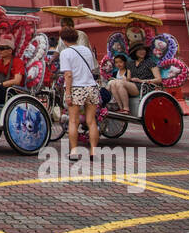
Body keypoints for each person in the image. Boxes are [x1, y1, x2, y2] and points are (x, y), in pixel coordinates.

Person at [59, 27, 100, 157]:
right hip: (91, 87)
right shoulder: (86, 50)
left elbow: (68, 75)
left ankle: (74, 151)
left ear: (64, 40)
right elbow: (92, 68)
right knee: (91, 121)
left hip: (76, 87)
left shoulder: (65, 53)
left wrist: (68, 93)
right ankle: (93, 151)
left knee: (73, 121)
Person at [106, 40, 162, 109]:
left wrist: (141, 80)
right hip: (133, 85)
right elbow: (128, 78)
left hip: (144, 86)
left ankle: (126, 108)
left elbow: (159, 79)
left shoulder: (150, 63)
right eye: (139, 50)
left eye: (143, 50)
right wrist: (123, 79)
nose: (142, 52)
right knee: (113, 83)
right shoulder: (131, 64)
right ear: (135, 52)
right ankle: (120, 107)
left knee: (120, 83)